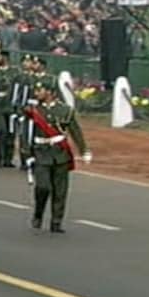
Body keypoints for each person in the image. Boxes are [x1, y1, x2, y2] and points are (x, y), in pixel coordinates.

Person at [20, 77, 91, 233]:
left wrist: (84, 150)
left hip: (60, 153)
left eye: (40, 90)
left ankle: (56, 221)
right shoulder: (32, 110)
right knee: (43, 187)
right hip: (41, 152)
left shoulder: (65, 110)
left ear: (50, 92)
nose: (36, 93)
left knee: (60, 190)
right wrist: (26, 153)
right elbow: (25, 132)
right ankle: (38, 213)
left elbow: (75, 131)